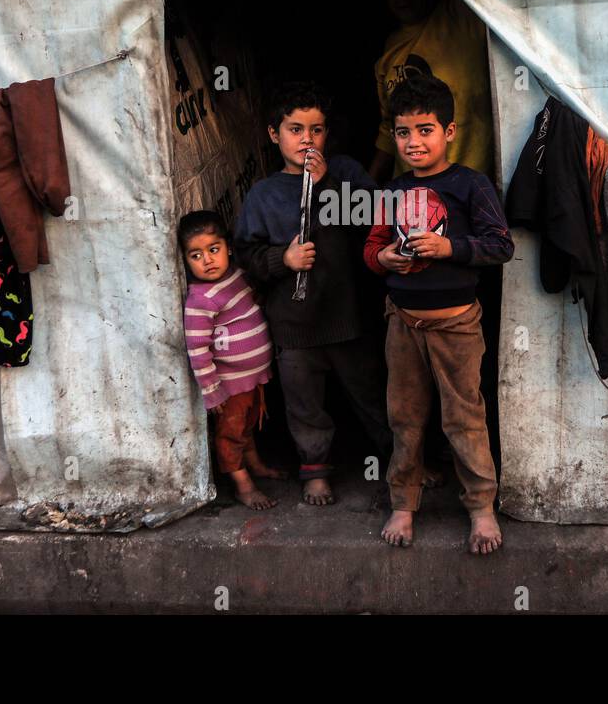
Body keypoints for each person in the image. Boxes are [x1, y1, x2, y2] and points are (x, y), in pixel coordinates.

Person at [364, 74, 513, 555]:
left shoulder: (470, 184)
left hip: (455, 324)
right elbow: (371, 248)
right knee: (404, 417)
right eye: (403, 132)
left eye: (425, 130)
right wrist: (384, 259)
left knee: (463, 418)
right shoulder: (392, 191)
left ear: (449, 131)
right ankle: (404, 503)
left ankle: (481, 508)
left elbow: (500, 245)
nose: (413, 142)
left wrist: (449, 246)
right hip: (402, 322)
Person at [234, 82, 393, 506]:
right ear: (274, 135)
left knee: (372, 394)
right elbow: (246, 253)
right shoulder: (263, 195)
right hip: (295, 323)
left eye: (316, 129)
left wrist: (325, 185)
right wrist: (280, 260)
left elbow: (375, 220)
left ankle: (400, 464)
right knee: (304, 405)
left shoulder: (345, 173)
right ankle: (316, 469)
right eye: (295, 129)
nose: (307, 138)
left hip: (349, 316)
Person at [179, 210, 284, 510]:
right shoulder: (201, 298)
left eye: (213, 250)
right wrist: (212, 391)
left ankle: (256, 466)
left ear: (228, 248)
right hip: (229, 384)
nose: (207, 260)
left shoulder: (239, 275)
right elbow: (197, 348)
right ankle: (242, 485)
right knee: (230, 435)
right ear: (186, 260)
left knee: (247, 427)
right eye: (196, 255)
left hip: (252, 378)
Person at [369, 0, 494, 182]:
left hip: (462, 189)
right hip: (411, 194)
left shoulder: (461, 19)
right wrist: (367, 187)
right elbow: (389, 126)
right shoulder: (389, 50)